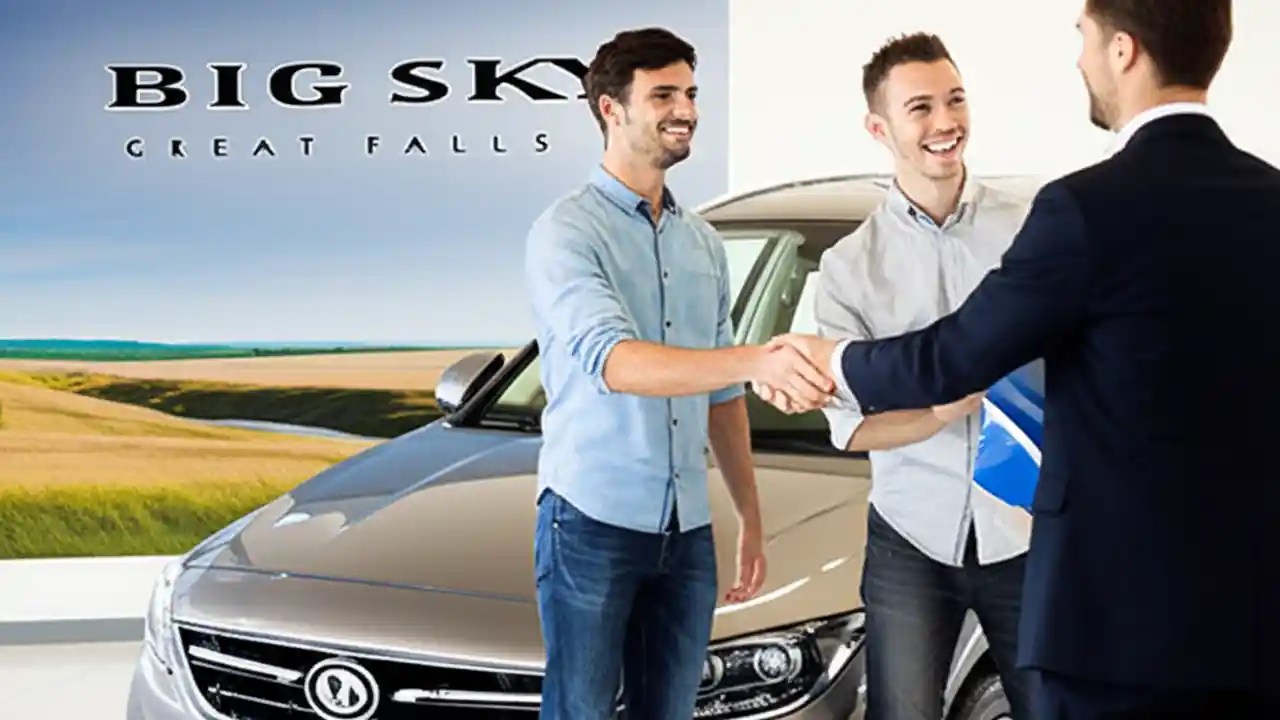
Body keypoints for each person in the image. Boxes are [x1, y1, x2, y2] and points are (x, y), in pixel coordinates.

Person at [757, 1, 1280, 717]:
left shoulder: (1077, 211)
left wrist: (830, 358)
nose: (1079, 60)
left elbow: (956, 355)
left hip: (1095, 599)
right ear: (880, 128)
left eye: (1083, 40)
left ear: (1123, 51)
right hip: (1242, 603)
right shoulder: (1270, 201)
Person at [523, 27, 835, 719]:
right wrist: (761, 359)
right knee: (580, 711)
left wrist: (748, 513)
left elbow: (720, 393)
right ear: (611, 109)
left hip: (687, 529)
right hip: (590, 521)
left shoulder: (700, 242)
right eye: (663, 94)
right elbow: (616, 361)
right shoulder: (566, 233)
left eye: (691, 93)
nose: (686, 110)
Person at [809, 32, 1036, 720]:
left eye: (955, 99)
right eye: (921, 108)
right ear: (879, 128)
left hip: (1027, 528)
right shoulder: (850, 267)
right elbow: (852, 429)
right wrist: (944, 406)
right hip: (912, 538)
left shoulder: (1032, 229)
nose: (945, 123)